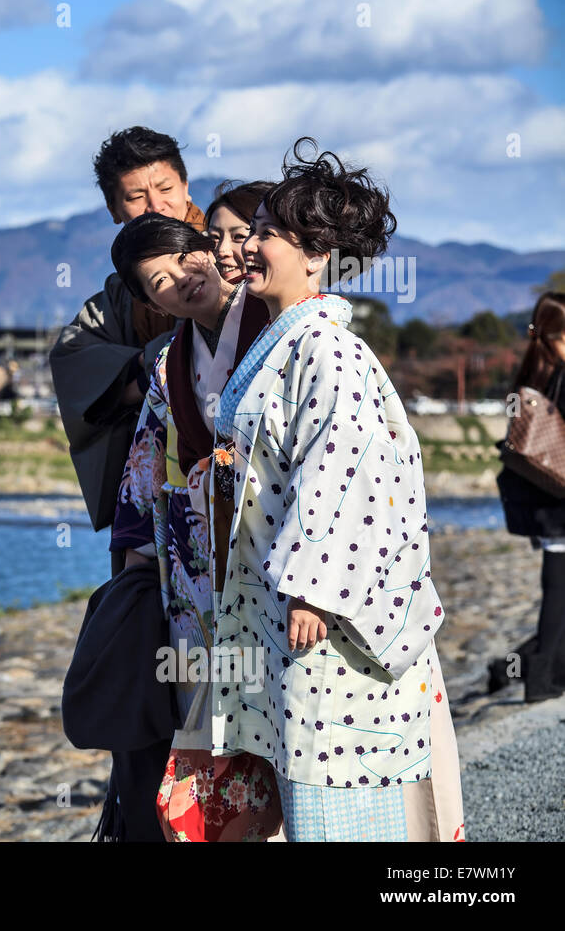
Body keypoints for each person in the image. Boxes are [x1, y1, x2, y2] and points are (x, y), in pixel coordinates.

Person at [207, 138, 461, 840]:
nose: (248, 246)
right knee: (303, 771)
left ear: (317, 254)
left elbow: (345, 468)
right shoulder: (287, 337)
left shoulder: (327, 347)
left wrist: (316, 585)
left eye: (265, 233)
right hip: (281, 594)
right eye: (251, 230)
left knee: (333, 782)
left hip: (320, 607)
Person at [107, 195, 282, 841]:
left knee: (281, 705)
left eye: (186, 253)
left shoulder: (274, 318)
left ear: (207, 245)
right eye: (161, 281)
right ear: (153, 304)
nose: (183, 275)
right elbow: (144, 465)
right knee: (210, 712)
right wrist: (137, 562)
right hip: (196, 571)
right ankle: (232, 828)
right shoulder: (166, 362)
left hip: (270, 548)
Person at [50, 127, 207, 571]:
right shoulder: (124, 289)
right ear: (114, 208)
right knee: (149, 609)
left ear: (186, 185)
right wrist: (146, 371)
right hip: (155, 470)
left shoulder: (225, 251)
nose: (156, 206)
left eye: (166, 188)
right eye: (136, 196)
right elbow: (73, 355)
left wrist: (165, 358)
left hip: (226, 465)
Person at [495, 291, 565, 703]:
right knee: (557, 597)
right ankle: (540, 682)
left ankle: (508, 671)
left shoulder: (532, 374)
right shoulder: (560, 375)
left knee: (556, 593)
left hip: (546, 498)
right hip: (559, 505)